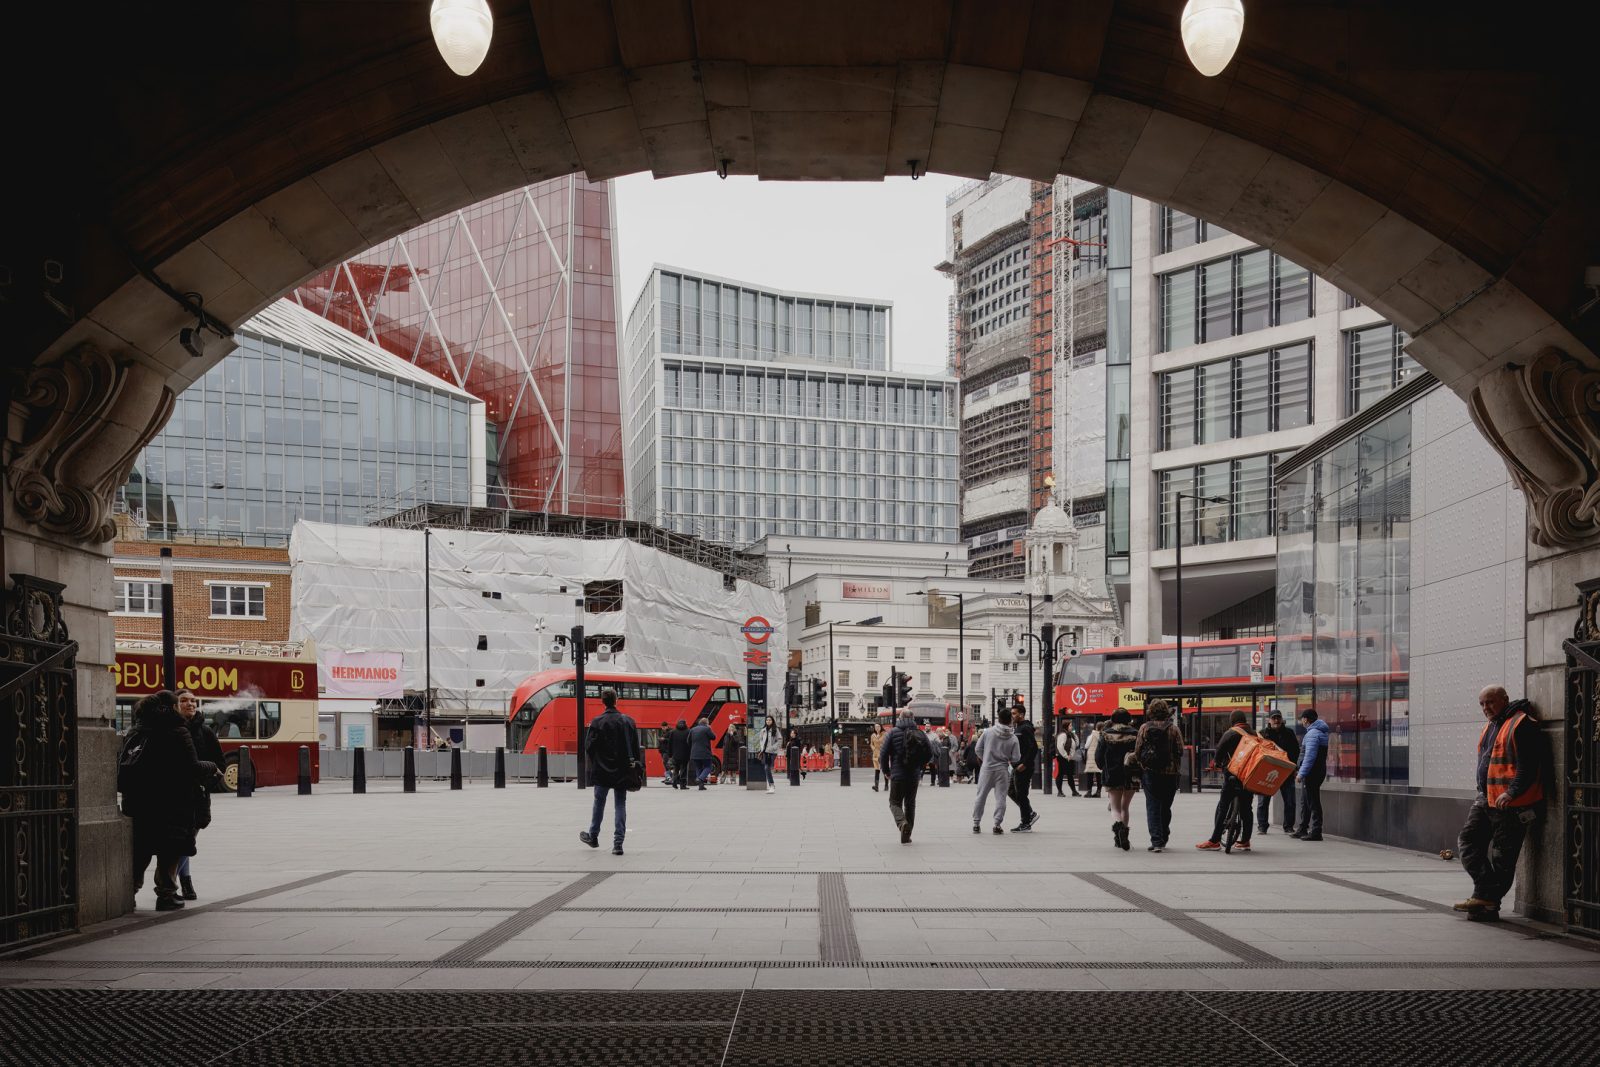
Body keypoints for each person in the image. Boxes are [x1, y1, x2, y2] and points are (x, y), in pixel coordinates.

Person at [122, 690, 220, 911]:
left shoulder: (136, 731)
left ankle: (128, 893)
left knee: (141, 851)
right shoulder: (177, 732)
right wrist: (212, 767)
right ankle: (166, 895)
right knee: (170, 850)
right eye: (179, 703)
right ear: (171, 708)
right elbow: (192, 767)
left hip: (139, 804)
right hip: (173, 804)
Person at [1456, 686, 1547, 921]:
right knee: (1468, 840)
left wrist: (1512, 792)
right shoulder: (1491, 725)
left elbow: (1529, 765)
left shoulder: (1522, 723)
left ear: (1505, 700)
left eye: (1490, 702)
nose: (1486, 708)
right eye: (1482, 704)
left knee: (1502, 858)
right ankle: (1485, 895)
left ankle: (1486, 904)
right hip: (1486, 799)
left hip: (1511, 805)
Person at [174, 689, 224, 900]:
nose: (190, 704)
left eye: (193, 701)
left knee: (189, 838)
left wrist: (206, 785)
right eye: (184, 700)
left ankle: (180, 881)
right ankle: (177, 883)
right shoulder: (171, 730)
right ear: (175, 705)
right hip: (175, 794)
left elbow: (219, 764)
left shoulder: (205, 731)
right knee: (178, 839)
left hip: (198, 795)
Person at [578, 689, 639, 855]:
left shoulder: (597, 722)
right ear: (616, 700)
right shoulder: (628, 721)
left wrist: (597, 760)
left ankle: (593, 836)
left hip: (602, 770)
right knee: (620, 804)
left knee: (599, 802)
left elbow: (589, 747)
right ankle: (618, 843)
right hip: (622, 770)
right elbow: (635, 748)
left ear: (602, 702)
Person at [1197, 710, 1257, 852]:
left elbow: (1219, 753)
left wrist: (1216, 764)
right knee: (1247, 809)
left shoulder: (1230, 733)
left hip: (1232, 775)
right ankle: (1245, 841)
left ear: (1232, 721)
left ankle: (1214, 841)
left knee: (1223, 806)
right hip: (1248, 776)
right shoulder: (1254, 734)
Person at [1136, 699, 1184, 852]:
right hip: (1170, 774)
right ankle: (1164, 837)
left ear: (1151, 711)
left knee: (1153, 806)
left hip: (1151, 773)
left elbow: (1138, 750)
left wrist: (1144, 764)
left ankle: (1156, 841)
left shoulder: (1144, 728)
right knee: (1166, 807)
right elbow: (1181, 750)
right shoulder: (1174, 729)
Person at [880, 710, 931, 844]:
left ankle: (902, 823)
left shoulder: (892, 732)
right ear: (913, 718)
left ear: (900, 718)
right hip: (913, 775)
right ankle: (907, 835)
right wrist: (920, 766)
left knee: (894, 802)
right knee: (910, 804)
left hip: (897, 775)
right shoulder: (920, 733)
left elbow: (883, 754)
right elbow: (930, 752)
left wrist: (886, 771)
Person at [971, 706, 1019, 835]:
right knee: (1001, 798)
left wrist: (985, 758)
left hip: (987, 768)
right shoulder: (1013, 738)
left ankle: (976, 823)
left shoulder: (988, 732)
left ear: (999, 718)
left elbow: (977, 749)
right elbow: (1016, 758)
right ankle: (997, 824)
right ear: (1010, 720)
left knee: (980, 796)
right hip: (1002, 770)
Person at [1098, 708, 1141, 851]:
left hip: (1112, 774)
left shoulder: (1105, 734)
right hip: (1131, 774)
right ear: (1128, 720)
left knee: (1115, 808)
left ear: (1113, 719)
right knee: (1125, 807)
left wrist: (1102, 766)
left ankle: (1119, 832)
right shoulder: (1136, 734)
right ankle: (1125, 835)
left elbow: (1099, 756)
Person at [1258, 711, 1301, 835]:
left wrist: (1293, 768)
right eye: (1274, 718)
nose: (1276, 720)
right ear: (1269, 721)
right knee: (1263, 801)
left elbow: (1295, 751)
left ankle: (1288, 827)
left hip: (1285, 771)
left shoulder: (1289, 733)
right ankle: (1262, 826)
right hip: (1267, 772)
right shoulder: (1263, 734)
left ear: (1282, 719)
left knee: (1290, 801)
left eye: (1278, 718)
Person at [1292, 709, 1329, 841]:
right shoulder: (1317, 732)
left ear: (1306, 719)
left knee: (1313, 801)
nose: (1301, 721)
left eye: (1302, 718)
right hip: (1315, 771)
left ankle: (1316, 831)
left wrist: (1301, 773)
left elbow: (1310, 756)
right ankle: (1303, 828)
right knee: (1305, 800)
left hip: (1312, 772)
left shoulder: (1313, 733)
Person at [1009, 711, 1042, 833]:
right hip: (1017, 766)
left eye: (1014, 713)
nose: (1012, 715)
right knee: (1011, 791)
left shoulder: (1025, 728)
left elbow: (1033, 748)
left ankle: (1026, 823)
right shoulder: (1018, 728)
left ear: (1021, 714)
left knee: (1021, 794)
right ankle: (1030, 813)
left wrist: (1025, 763)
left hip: (1023, 767)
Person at [688, 715, 715, 790]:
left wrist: (693, 748)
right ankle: (700, 778)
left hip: (694, 753)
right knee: (708, 767)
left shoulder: (692, 729)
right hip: (705, 752)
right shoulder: (707, 729)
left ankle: (701, 786)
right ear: (706, 723)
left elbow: (688, 741)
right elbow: (713, 737)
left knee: (698, 767)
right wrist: (710, 729)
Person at [1054, 723, 1079, 797]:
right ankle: (1059, 792)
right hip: (1062, 757)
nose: (1072, 727)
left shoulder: (1069, 735)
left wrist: (1075, 735)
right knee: (1060, 774)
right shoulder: (1063, 735)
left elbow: (1076, 744)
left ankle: (1074, 791)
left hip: (1069, 758)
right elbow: (1060, 747)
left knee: (1070, 775)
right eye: (1070, 726)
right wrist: (1066, 755)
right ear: (1066, 726)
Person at [759, 716, 784, 793]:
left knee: (767, 768)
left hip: (772, 752)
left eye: (770, 720)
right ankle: (771, 786)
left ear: (772, 721)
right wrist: (761, 749)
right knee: (766, 768)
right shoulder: (763, 730)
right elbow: (761, 740)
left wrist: (773, 748)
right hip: (765, 752)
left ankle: (772, 786)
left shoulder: (775, 730)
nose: (768, 721)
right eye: (767, 720)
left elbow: (780, 740)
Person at [1082, 721, 1104, 798]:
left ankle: (1089, 792)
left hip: (1091, 757)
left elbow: (1086, 746)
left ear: (1096, 728)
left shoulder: (1091, 736)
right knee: (1099, 775)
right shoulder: (1103, 736)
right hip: (1099, 757)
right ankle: (1098, 792)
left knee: (1090, 775)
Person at [668, 718, 691, 790]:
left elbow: (670, 744)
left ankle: (674, 782)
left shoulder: (673, 732)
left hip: (675, 754)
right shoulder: (688, 731)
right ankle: (682, 785)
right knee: (684, 769)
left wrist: (670, 754)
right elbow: (690, 743)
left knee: (676, 769)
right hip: (685, 754)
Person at [869, 723, 886, 791]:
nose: (877, 728)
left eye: (878, 726)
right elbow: (871, 744)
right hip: (875, 754)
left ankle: (886, 785)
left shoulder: (884, 734)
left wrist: (882, 748)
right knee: (877, 770)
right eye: (875, 727)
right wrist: (874, 749)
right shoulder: (873, 735)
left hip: (882, 754)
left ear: (881, 727)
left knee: (884, 770)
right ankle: (876, 786)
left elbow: (886, 743)